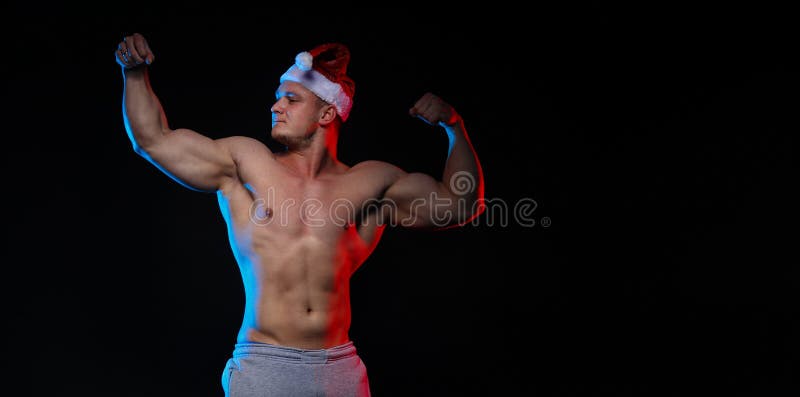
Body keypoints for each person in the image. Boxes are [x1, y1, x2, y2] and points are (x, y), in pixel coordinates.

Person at [116, 32, 485, 396]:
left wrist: (454, 126)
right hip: (264, 363)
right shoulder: (246, 162)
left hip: (338, 368)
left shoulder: (371, 182)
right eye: (278, 98)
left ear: (327, 112)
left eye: (291, 99)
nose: (276, 107)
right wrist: (133, 72)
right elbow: (152, 140)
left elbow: (461, 205)